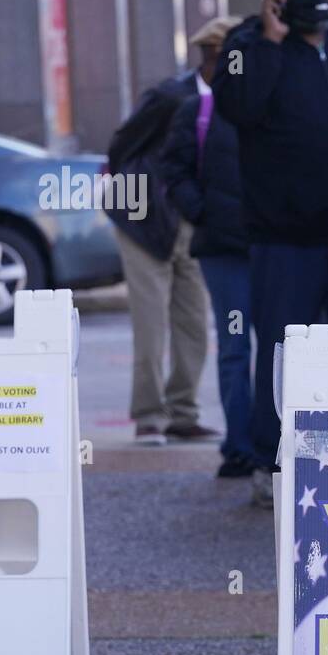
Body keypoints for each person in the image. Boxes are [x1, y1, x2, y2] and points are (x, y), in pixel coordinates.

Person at [213, 0, 328, 507]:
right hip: (282, 236)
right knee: (283, 353)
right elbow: (239, 107)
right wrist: (270, 41)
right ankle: (272, 463)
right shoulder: (247, 44)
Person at [106, 42, 217, 447]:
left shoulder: (234, 100)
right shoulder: (171, 96)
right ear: (213, 55)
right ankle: (150, 417)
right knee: (150, 324)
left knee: (194, 321)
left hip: (192, 223)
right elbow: (121, 145)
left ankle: (183, 413)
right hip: (146, 222)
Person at [160, 16, 255, 478]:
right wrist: (201, 211)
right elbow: (172, 169)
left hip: (275, 247)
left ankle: (278, 447)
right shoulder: (195, 111)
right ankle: (238, 447)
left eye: (221, 55)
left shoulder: (267, 101)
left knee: (284, 346)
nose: (214, 64)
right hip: (222, 250)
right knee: (235, 347)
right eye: (209, 56)